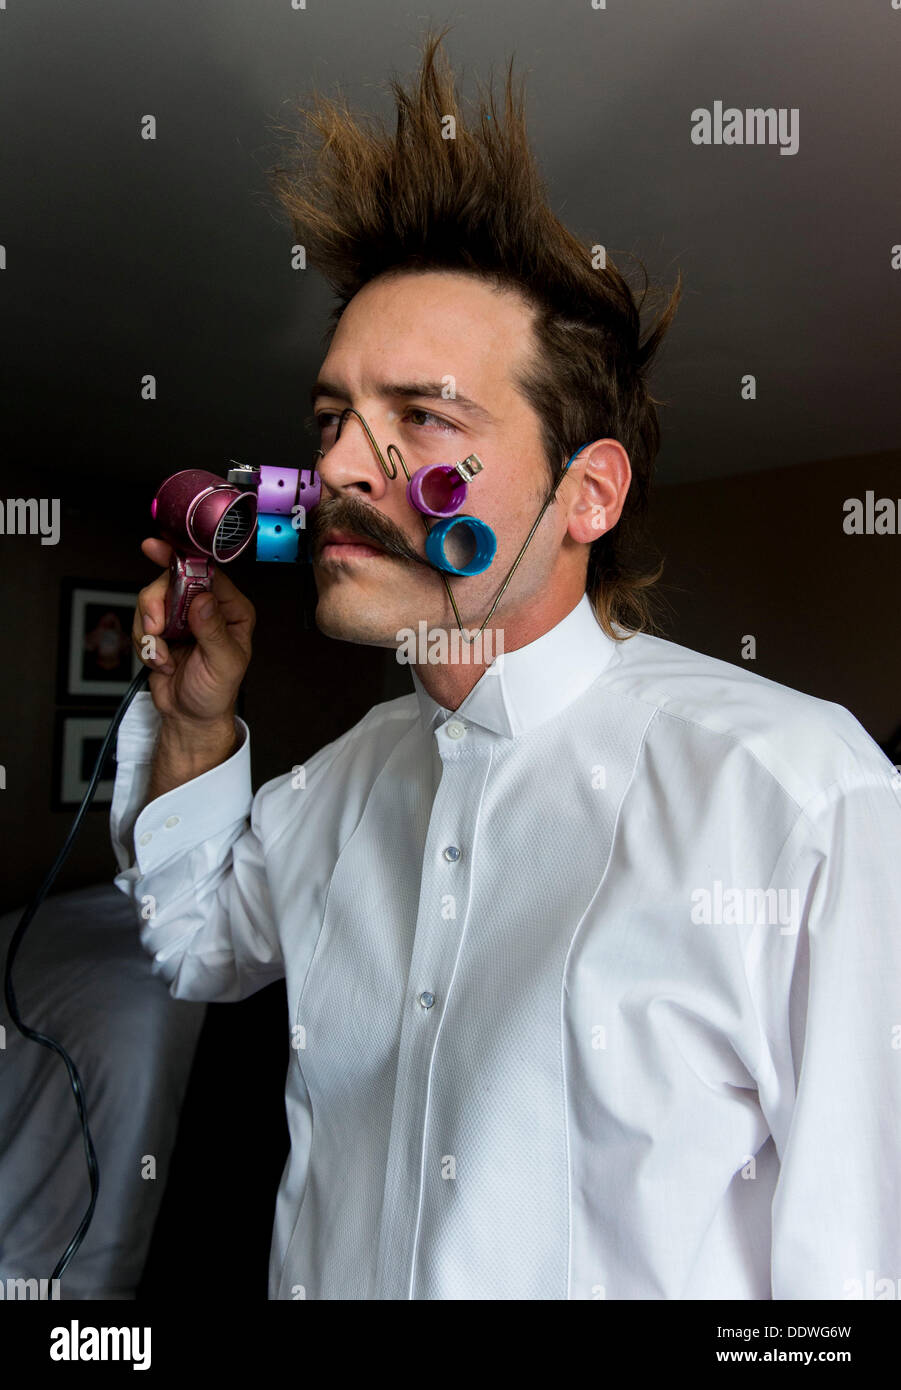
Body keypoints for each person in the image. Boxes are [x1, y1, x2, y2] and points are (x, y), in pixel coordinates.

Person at [110, 33, 901, 1300]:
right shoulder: (332, 793)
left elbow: (855, 1279)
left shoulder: (800, 799)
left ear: (585, 494)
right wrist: (198, 727)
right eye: (331, 421)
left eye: (421, 417)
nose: (339, 473)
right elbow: (198, 944)